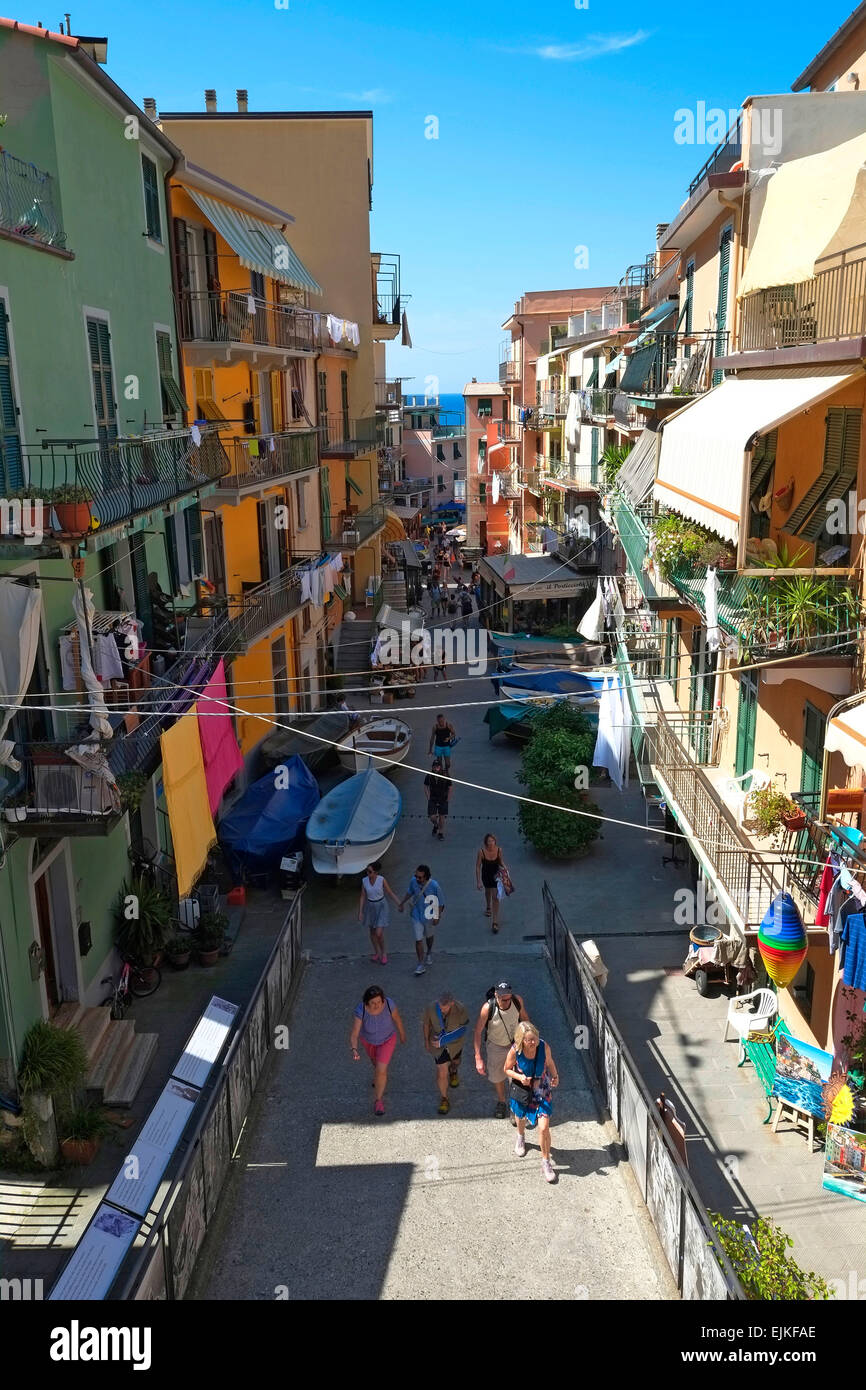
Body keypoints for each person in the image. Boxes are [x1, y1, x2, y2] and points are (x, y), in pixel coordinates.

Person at [505, 1021, 559, 1182]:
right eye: (529, 1040)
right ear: (521, 1040)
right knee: (520, 1117)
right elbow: (506, 1069)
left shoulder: (544, 1046)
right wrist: (520, 1077)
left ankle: (546, 1161)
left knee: (543, 1128)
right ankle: (521, 1136)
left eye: (534, 1038)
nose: (533, 1042)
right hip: (522, 1090)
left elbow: (549, 1062)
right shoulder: (515, 1051)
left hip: (541, 1089)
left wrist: (555, 1076)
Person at [473, 982, 528, 1119]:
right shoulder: (488, 1008)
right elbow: (477, 1032)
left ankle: (514, 1107)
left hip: (515, 1045)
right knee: (498, 1077)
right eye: (503, 999)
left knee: (516, 1077)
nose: (506, 1001)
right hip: (495, 1046)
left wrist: (530, 1039)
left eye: (509, 998)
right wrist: (478, 1057)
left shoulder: (517, 1001)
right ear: (496, 995)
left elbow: (525, 1019)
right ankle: (502, 1101)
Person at [349, 985, 406, 1116]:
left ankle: (378, 1101)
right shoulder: (361, 1010)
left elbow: (397, 1019)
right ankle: (379, 1077)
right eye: (373, 1003)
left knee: (381, 1070)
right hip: (369, 1041)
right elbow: (355, 1033)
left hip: (388, 1039)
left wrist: (402, 1034)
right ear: (366, 1002)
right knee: (376, 1064)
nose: (377, 1005)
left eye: (379, 1002)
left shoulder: (389, 1004)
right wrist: (354, 1048)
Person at [422, 990, 470, 1114]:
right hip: (437, 1046)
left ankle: (453, 1070)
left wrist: (446, 1039)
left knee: (456, 1061)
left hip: (455, 1044)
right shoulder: (431, 1008)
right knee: (441, 1071)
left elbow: (462, 1029)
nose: (442, 1010)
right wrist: (426, 1042)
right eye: (440, 1007)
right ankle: (444, 1098)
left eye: (445, 1007)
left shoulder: (461, 1009)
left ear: (452, 1003)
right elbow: (426, 1024)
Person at [399, 863, 446, 975]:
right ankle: (420, 964)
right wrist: (401, 903)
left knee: (429, 937)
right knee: (418, 939)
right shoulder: (413, 881)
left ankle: (429, 952)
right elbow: (409, 892)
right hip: (416, 915)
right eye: (416, 876)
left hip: (429, 915)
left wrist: (437, 916)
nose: (417, 878)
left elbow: (441, 902)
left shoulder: (434, 885)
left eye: (420, 877)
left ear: (426, 877)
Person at [358, 861, 402, 965]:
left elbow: (390, 892)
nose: (368, 873)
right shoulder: (364, 881)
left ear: (376, 872)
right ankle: (377, 952)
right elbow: (363, 896)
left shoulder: (381, 880)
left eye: (370, 871)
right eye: (367, 871)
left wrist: (399, 903)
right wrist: (360, 912)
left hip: (381, 906)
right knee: (372, 932)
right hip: (370, 906)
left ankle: (384, 953)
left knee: (379, 933)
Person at [476, 832, 509, 933]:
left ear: (495, 841)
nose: (491, 843)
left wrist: (505, 867)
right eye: (489, 841)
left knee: (496, 897)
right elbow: (478, 867)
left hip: (496, 876)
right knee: (487, 891)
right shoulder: (481, 852)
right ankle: (488, 906)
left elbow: (500, 861)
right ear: (486, 842)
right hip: (486, 875)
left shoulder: (499, 850)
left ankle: (495, 922)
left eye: (492, 841)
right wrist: (478, 881)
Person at [424, 757, 453, 839]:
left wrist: (448, 799)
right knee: (432, 817)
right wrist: (428, 797)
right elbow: (425, 786)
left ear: (440, 767)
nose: (436, 768)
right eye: (434, 766)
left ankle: (441, 832)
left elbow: (450, 787)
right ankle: (436, 825)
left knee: (441, 817)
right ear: (432, 767)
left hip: (443, 798)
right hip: (433, 798)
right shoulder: (429, 776)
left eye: (438, 766)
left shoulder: (445, 775)